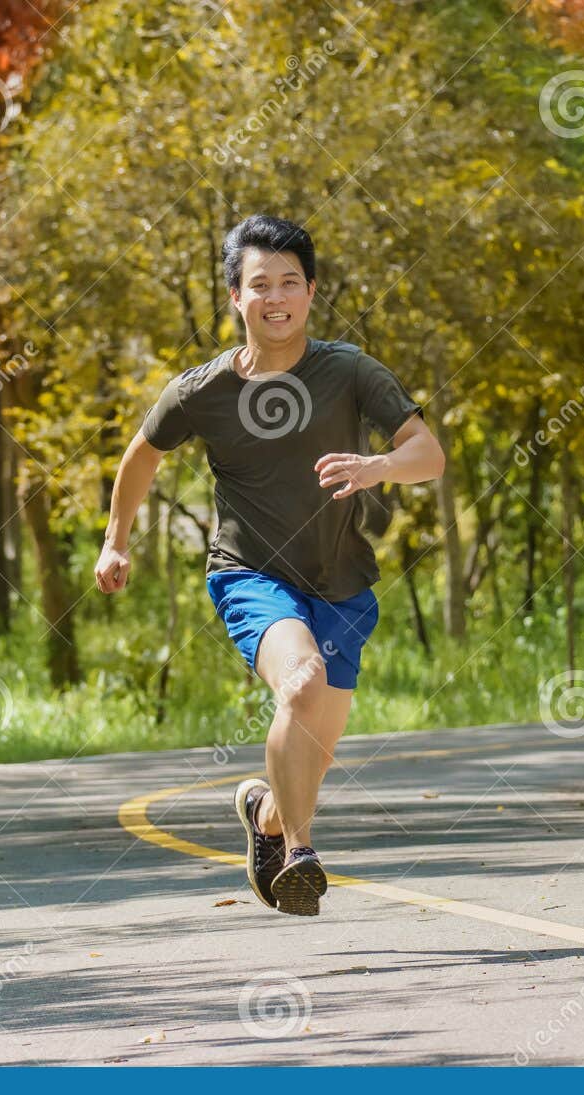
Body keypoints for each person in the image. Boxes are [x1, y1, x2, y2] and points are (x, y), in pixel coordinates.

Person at [94, 214, 445, 916]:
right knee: (301, 680)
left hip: (342, 585)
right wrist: (116, 537)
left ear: (312, 291)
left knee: (314, 745)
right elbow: (142, 453)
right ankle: (302, 853)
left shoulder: (348, 371)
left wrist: (378, 466)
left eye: (290, 282)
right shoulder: (203, 389)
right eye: (260, 285)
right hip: (251, 574)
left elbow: (427, 453)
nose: (276, 297)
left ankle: (267, 818)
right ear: (235, 296)